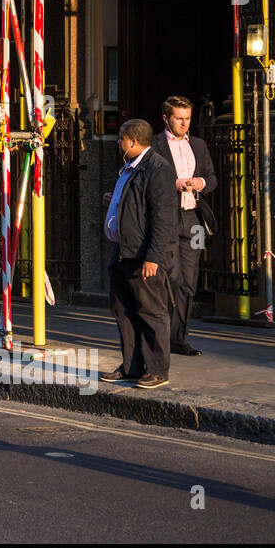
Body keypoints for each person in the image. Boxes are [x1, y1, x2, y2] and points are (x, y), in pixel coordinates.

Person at [103, 118, 178, 389]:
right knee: (123, 311)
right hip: (122, 251)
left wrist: (153, 258)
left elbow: (163, 218)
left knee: (151, 312)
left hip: (142, 256)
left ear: (132, 141)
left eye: (121, 138)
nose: (118, 142)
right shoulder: (128, 167)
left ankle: (157, 370)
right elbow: (134, 205)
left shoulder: (157, 169)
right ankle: (132, 366)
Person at [150, 95, 217, 357]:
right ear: (166, 118)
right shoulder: (155, 145)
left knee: (188, 281)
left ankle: (179, 338)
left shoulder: (198, 145)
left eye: (187, 119)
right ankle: (160, 335)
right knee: (171, 277)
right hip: (166, 217)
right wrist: (174, 184)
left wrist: (200, 182)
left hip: (193, 217)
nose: (184, 123)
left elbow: (211, 178)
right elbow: (149, 180)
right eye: (179, 118)